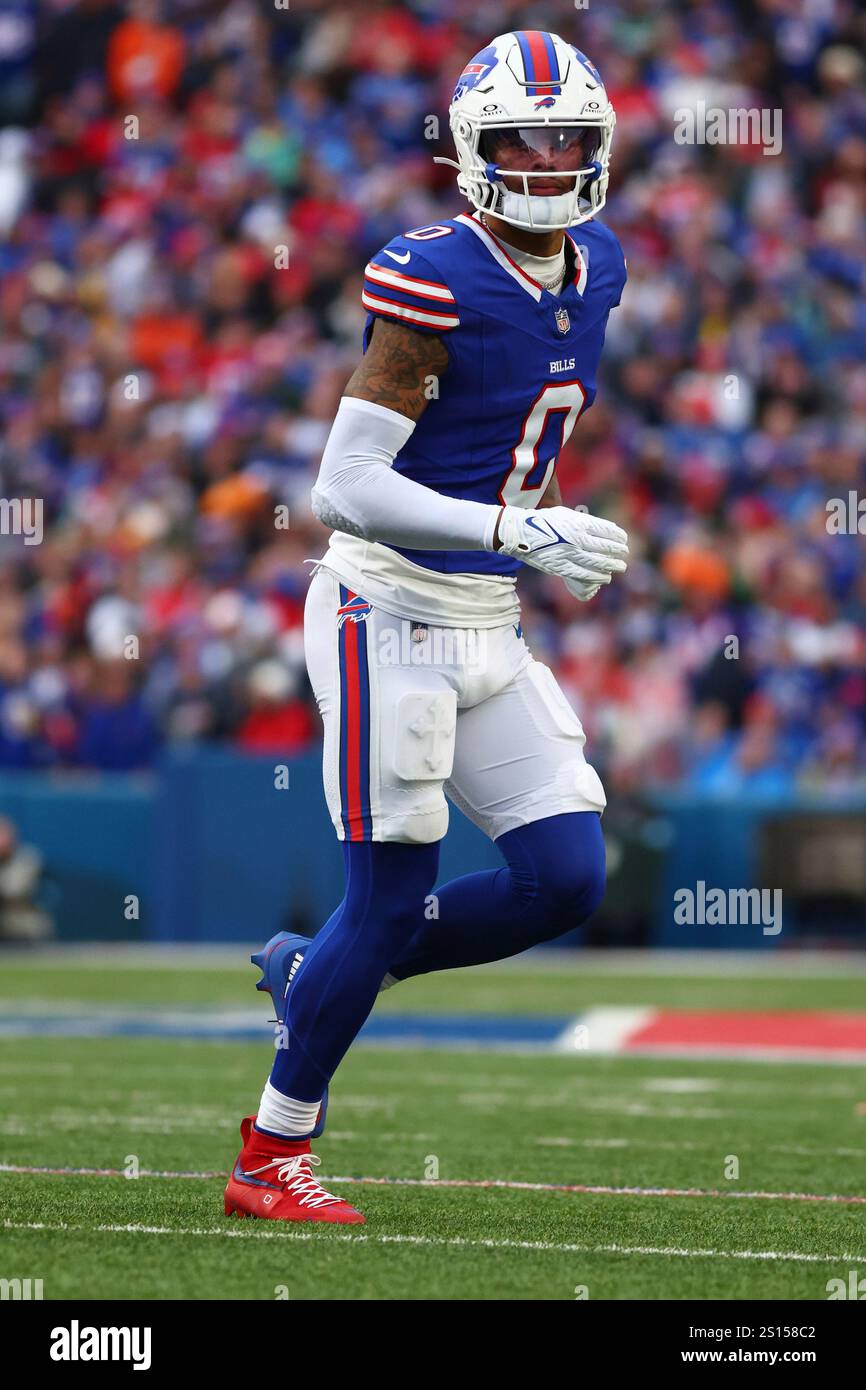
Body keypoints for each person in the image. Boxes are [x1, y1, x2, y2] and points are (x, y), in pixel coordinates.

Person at [225, 30, 629, 1225]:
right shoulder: (431, 271)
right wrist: (519, 529)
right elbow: (345, 484)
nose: (549, 161)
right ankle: (269, 1153)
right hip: (381, 607)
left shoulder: (596, 265)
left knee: (563, 878)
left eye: (569, 140)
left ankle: (317, 970)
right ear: (471, 148)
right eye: (522, 140)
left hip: (484, 614)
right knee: (389, 895)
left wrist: (522, 538)